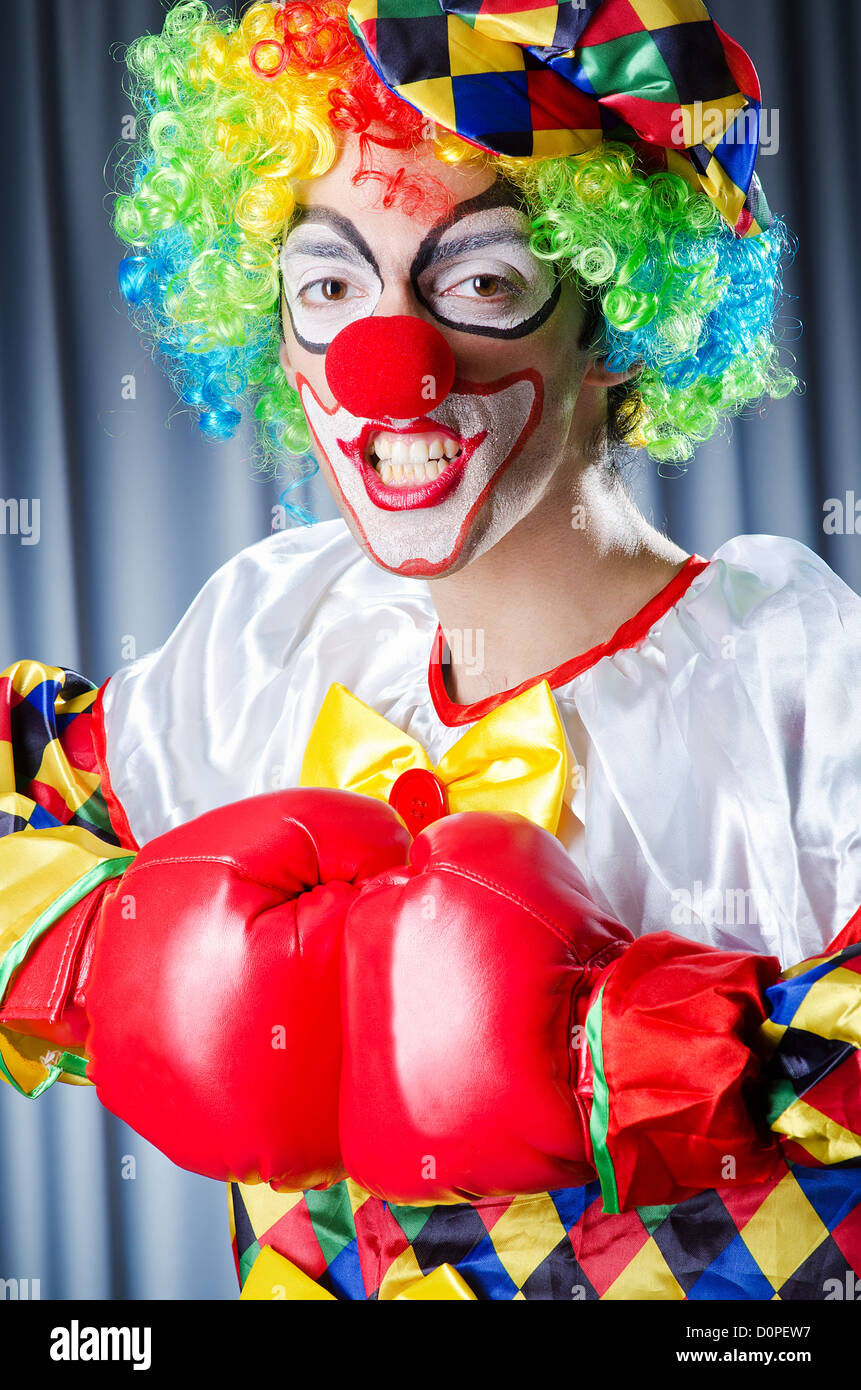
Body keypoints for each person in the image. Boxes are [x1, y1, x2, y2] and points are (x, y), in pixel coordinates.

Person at [1, 0, 860, 1301]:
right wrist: (98, 948)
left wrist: (683, 1059)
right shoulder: (263, 641)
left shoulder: (792, 679)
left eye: (481, 283)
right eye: (328, 286)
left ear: (613, 318)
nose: (383, 365)